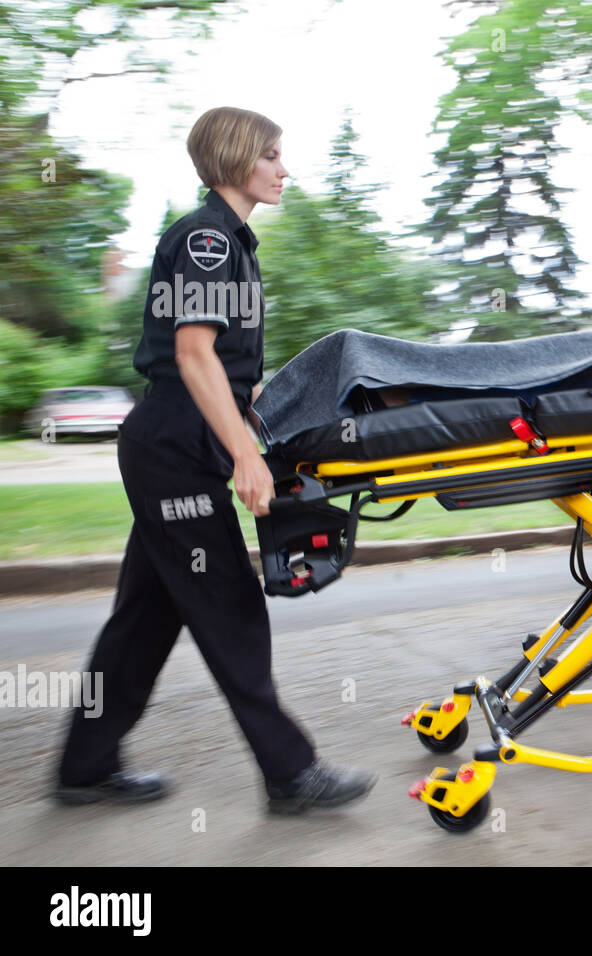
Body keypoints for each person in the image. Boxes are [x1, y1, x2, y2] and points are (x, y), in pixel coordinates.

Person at [54, 107, 377, 813]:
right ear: (237, 160)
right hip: (176, 449)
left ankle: (84, 765)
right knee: (229, 606)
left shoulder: (228, 242)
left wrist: (269, 415)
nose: (283, 169)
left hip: (172, 446)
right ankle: (291, 775)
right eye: (271, 155)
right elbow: (192, 354)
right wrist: (243, 457)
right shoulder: (206, 239)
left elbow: (224, 368)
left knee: (144, 617)